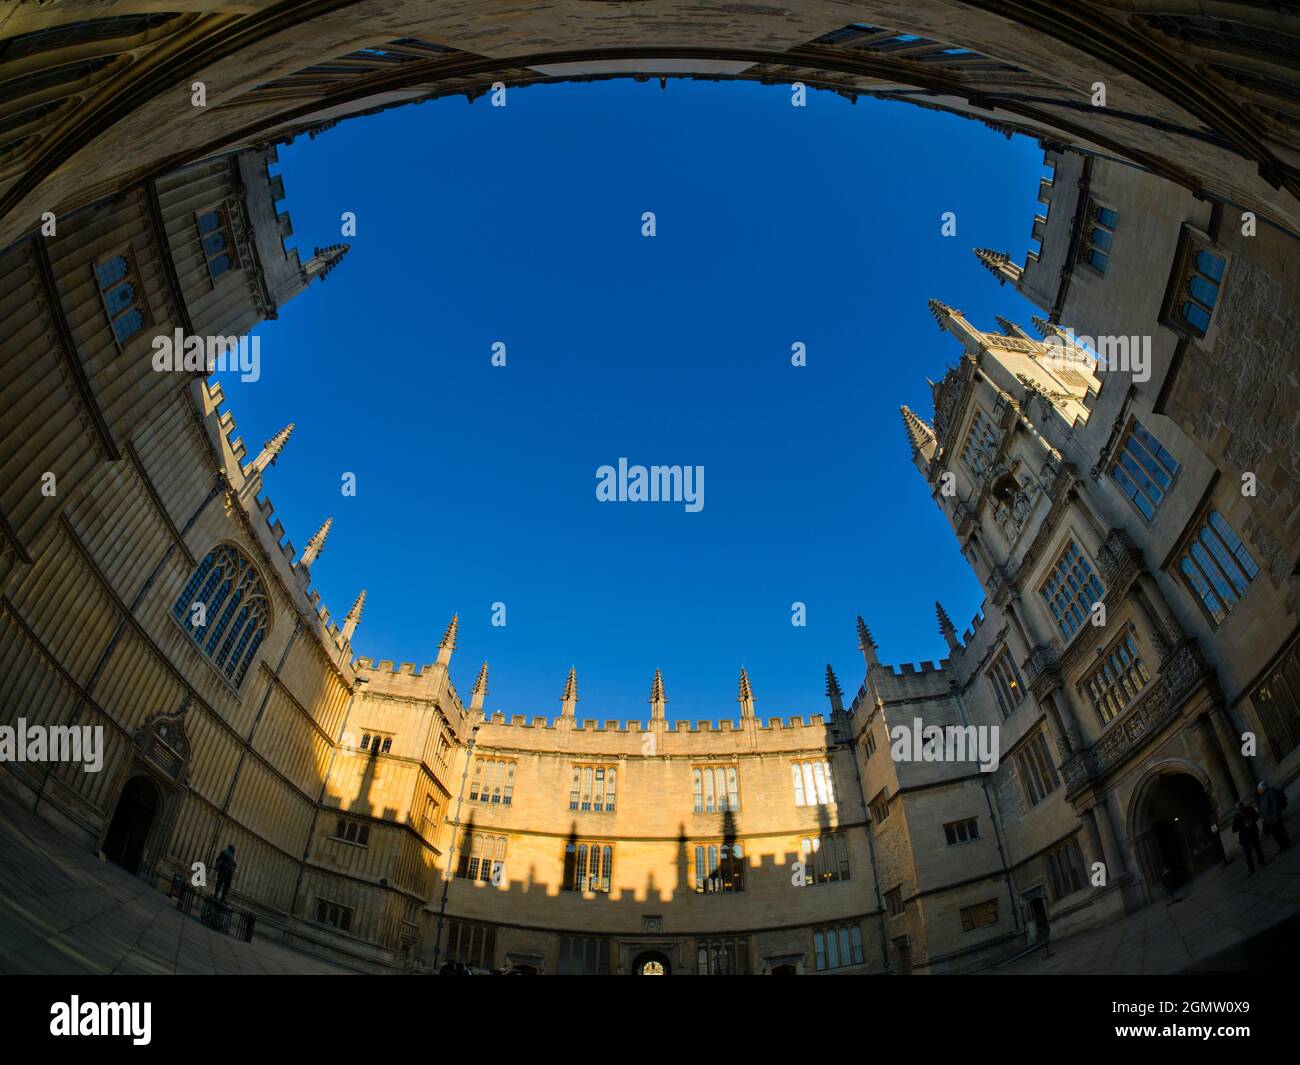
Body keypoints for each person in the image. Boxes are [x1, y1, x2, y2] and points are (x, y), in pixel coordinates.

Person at [1231, 800, 1266, 875]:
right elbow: (1234, 829)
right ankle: (1258, 864)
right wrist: (1245, 825)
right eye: (1239, 808)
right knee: (1253, 850)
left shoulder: (1244, 812)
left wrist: (1250, 822)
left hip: (1248, 834)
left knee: (1252, 850)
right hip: (1247, 835)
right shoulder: (1238, 815)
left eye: (1240, 808)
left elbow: (1256, 816)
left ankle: (1255, 867)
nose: (1240, 810)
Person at [1258, 781, 1291, 854]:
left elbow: (1275, 804)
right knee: (1276, 834)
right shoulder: (1263, 797)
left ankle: (1286, 844)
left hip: (1274, 817)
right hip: (1269, 820)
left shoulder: (1271, 792)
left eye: (1260, 790)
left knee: (1280, 831)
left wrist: (1275, 815)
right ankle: (1282, 846)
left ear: (1263, 788)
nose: (1259, 791)